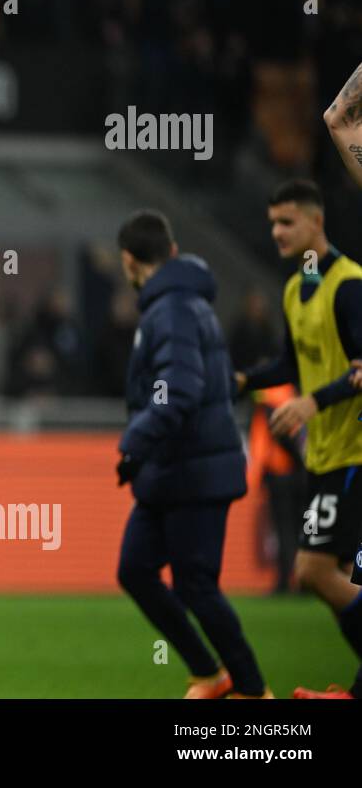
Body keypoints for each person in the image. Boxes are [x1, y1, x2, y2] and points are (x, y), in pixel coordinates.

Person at [114, 211, 270, 699]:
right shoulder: (185, 305)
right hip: (173, 469)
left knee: (196, 584)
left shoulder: (172, 309)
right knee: (136, 570)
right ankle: (209, 671)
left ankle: (252, 689)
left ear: (129, 261)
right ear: (173, 252)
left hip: (193, 470)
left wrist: (134, 440)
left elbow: (175, 391)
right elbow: (207, 383)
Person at [234, 179, 362, 700]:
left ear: (316, 222)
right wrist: (243, 381)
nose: (277, 232)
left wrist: (311, 402)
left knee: (312, 570)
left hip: (355, 451)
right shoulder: (293, 289)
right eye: (272, 223)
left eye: (287, 222)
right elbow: (290, 363)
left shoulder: (350, 285)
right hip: (326, 455)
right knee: (331, 574)